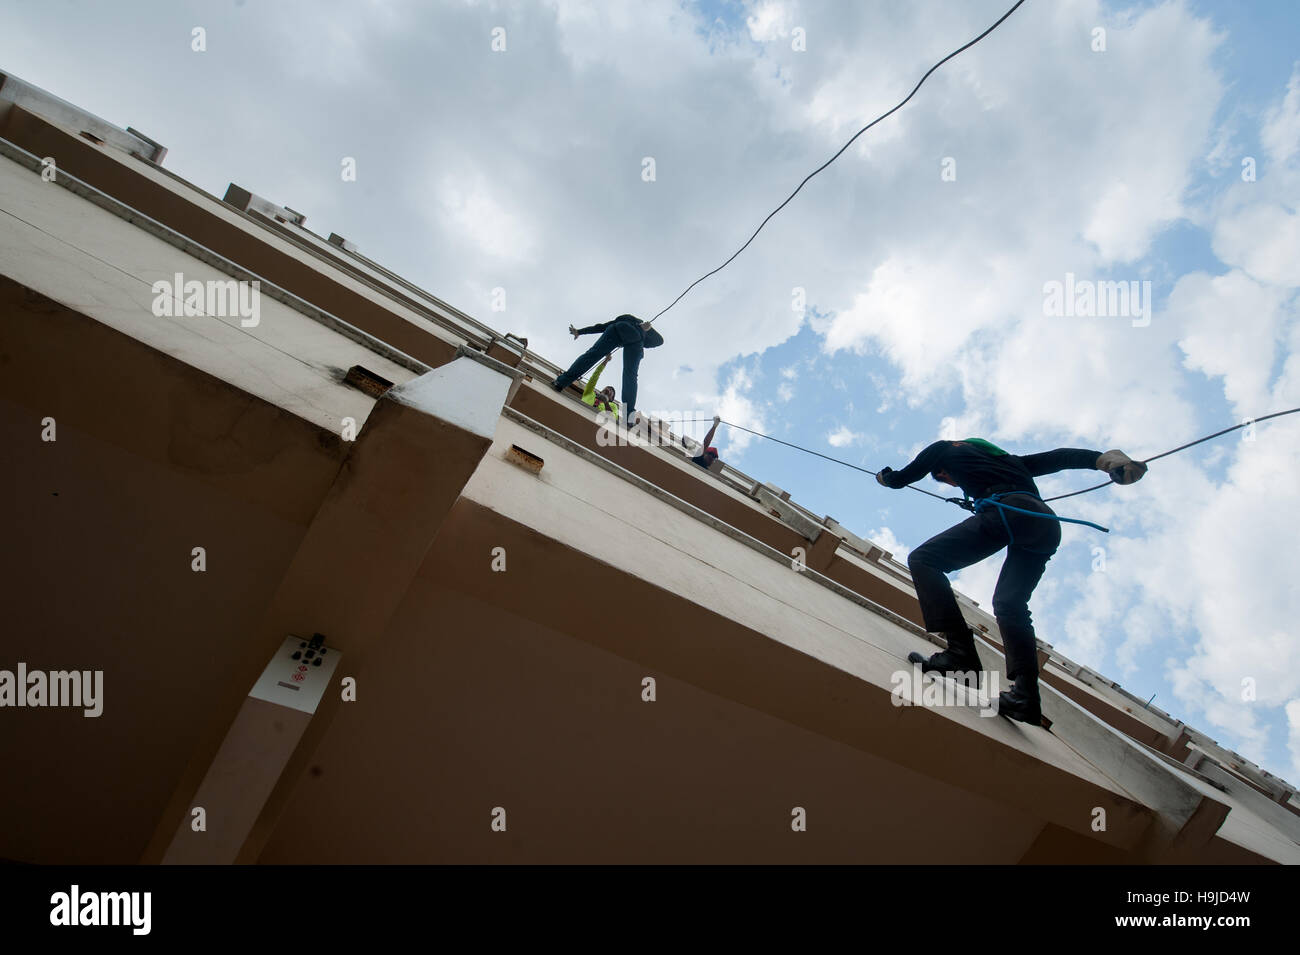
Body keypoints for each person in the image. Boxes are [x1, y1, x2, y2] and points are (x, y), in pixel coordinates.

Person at [875, 438, 1147, 725]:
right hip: (1044, 524)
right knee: (1010, 604)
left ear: (942, 470)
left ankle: (960, 654)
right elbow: (1060, 457)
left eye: (946, 480)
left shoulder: (945, 449)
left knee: (924, 560)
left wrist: (885, 477)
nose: (953, 485)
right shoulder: (1013, 462)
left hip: (1008, 511)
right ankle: (1026, 697)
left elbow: (901, 479)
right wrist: (1108, 461)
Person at [552, 314, 664, 419]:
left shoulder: (624, 319)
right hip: (635, 340)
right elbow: (659, 341)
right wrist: (643, 333)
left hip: (618, 330)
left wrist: (580, 332)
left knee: (592, 355)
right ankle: (629, 416)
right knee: (630, 375)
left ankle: (560, 382)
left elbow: (601, 327)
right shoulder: (631, 322)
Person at [581, 353, 620, 419]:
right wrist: (606, 361)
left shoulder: (613, 406)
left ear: (611, 398)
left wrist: (606, 402)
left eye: (611, 391)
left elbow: (613, 418)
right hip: (580, 413)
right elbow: (594, 377)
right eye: (607, 388)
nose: (608, 390)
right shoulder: (590, 393)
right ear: (601, 391)